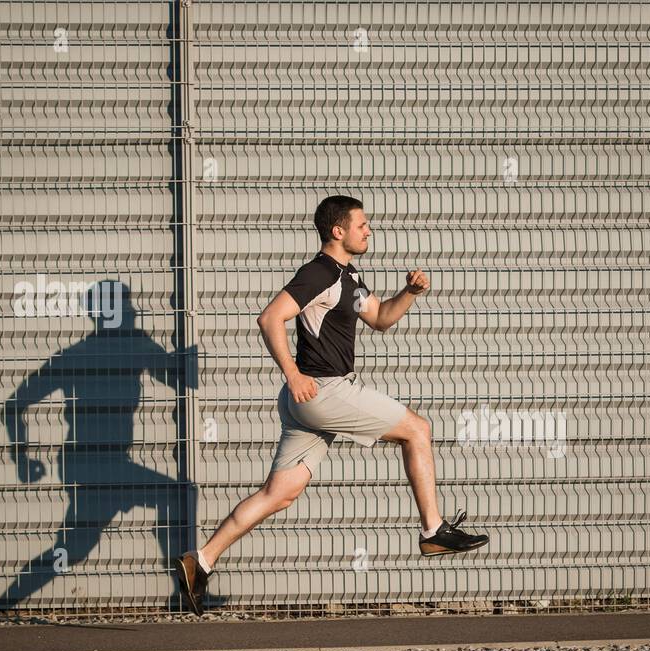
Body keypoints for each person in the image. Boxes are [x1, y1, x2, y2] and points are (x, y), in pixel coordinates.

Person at [173, 196, 488, 615]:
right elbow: (270, 318)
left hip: (310, 400)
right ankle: (433, 529)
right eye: (362, 224)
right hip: (323, 390)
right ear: (338, 231)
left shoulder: (349, 276)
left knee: (279, 493)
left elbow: (380, 318)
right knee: (417, 429)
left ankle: (202, 561)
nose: (368, 230)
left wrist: (409, 293)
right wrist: (293, 373)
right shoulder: (319, 272)